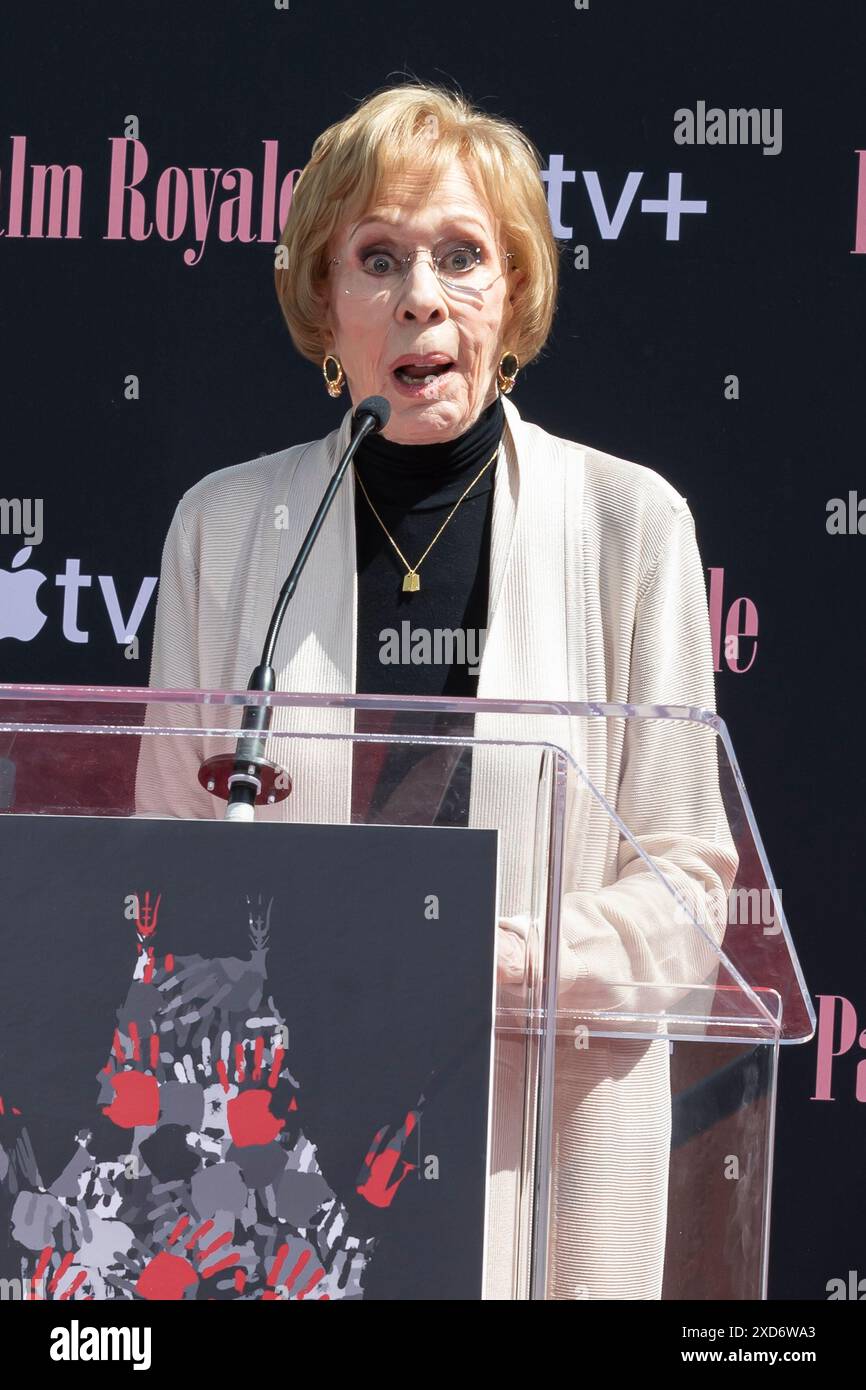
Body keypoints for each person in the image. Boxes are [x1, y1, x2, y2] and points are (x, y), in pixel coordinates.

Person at [135, 81, 738, 1299]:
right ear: (325, 303)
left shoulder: (628, 524)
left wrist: (493, 955)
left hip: (552, 1144)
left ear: (510, 293)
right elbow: (167, 869)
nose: (421, 294)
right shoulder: (226, 528)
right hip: (285, 1149)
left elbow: (685, 883)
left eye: (462, 255)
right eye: (377, 258)